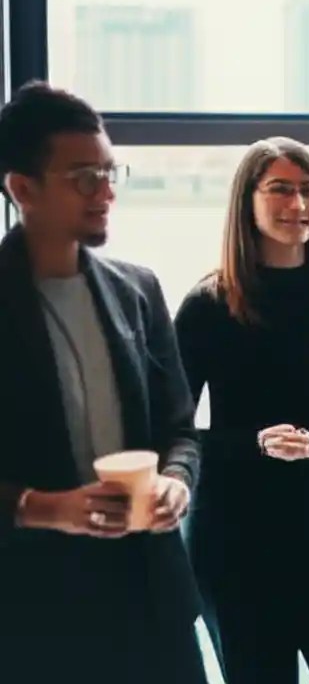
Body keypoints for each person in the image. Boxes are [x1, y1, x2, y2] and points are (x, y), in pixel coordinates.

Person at [0, 81, 206, 682]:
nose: (106, 192)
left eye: (111, 172)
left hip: (153, 598)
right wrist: (43, 508)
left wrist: (176, 483)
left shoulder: (137, 290)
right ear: (22, 189)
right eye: (85, 177)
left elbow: (180, 429)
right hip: (34, 611)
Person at [173, 137, 309, 683]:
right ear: (247, 201)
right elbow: (173, 434)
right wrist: (256, 443)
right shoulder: (207, 306)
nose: (298, 204)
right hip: (233, 541)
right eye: (280, 189)